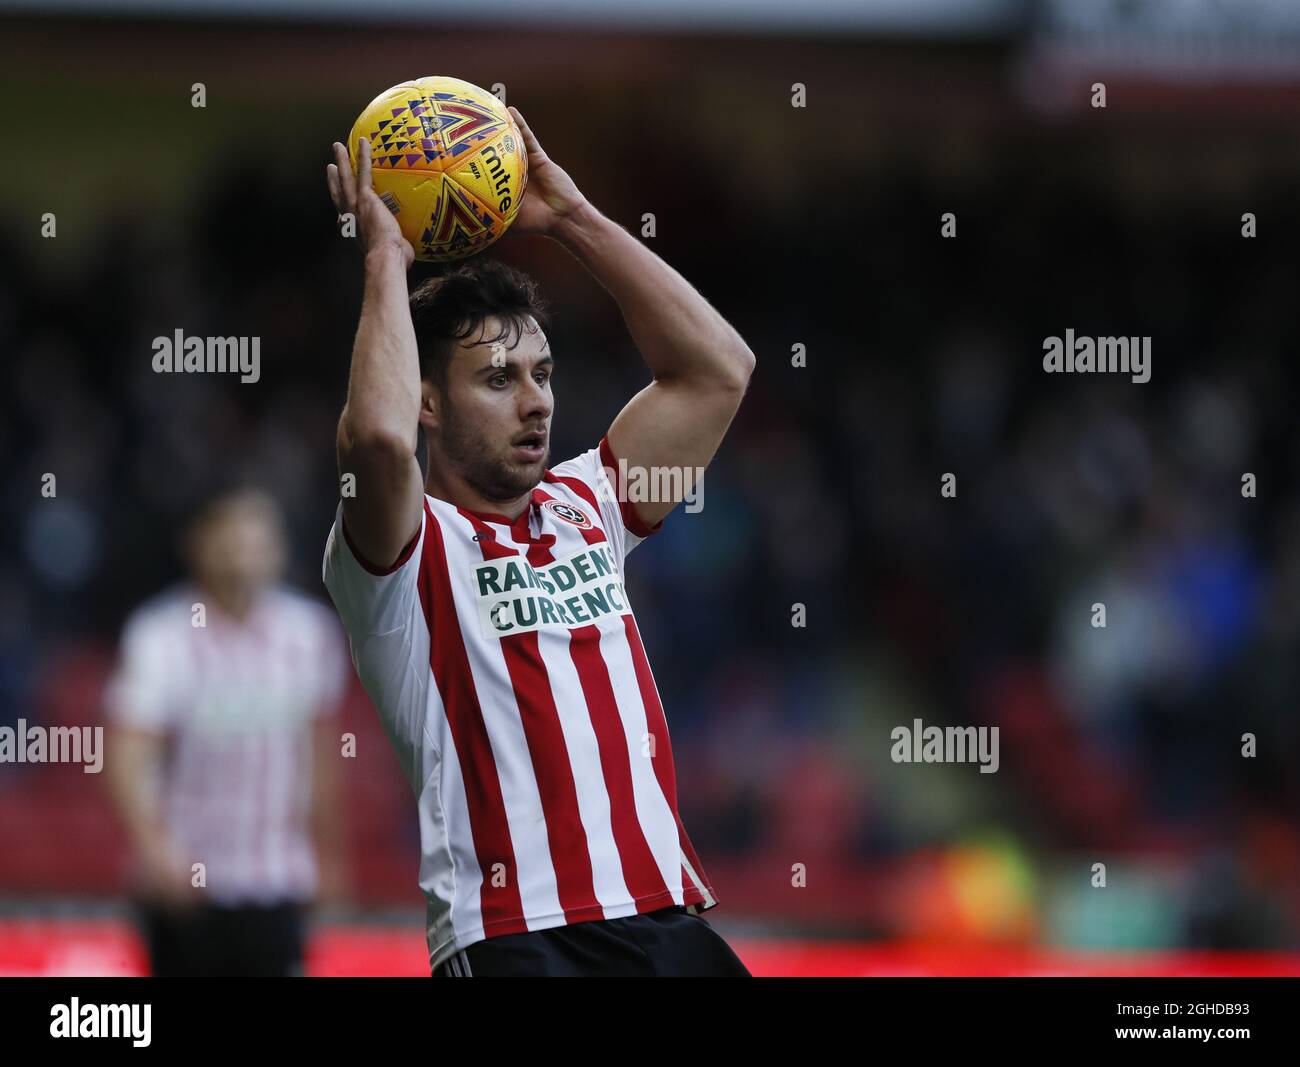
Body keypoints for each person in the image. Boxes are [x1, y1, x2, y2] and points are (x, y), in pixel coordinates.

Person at [322, 104, 755, 977]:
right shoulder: (405, 553)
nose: (537, 401)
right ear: (428, 404)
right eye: (497, 378)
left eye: (543, 373)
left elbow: (718, 370)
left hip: (666, 922)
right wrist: (386, 258)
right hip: (521, 936)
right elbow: (373, 440)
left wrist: (573, 221)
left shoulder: (589, 504)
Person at [105, 487, 349, 976]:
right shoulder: (160, 637)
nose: (247, 548)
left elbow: (320, 752)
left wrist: (329, 854)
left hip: (278, 878)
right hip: (187, 887)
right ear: (198, 543)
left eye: (259, 536)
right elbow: (129, 756)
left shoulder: (308, 634)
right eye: (233, 533)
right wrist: (156, 852)